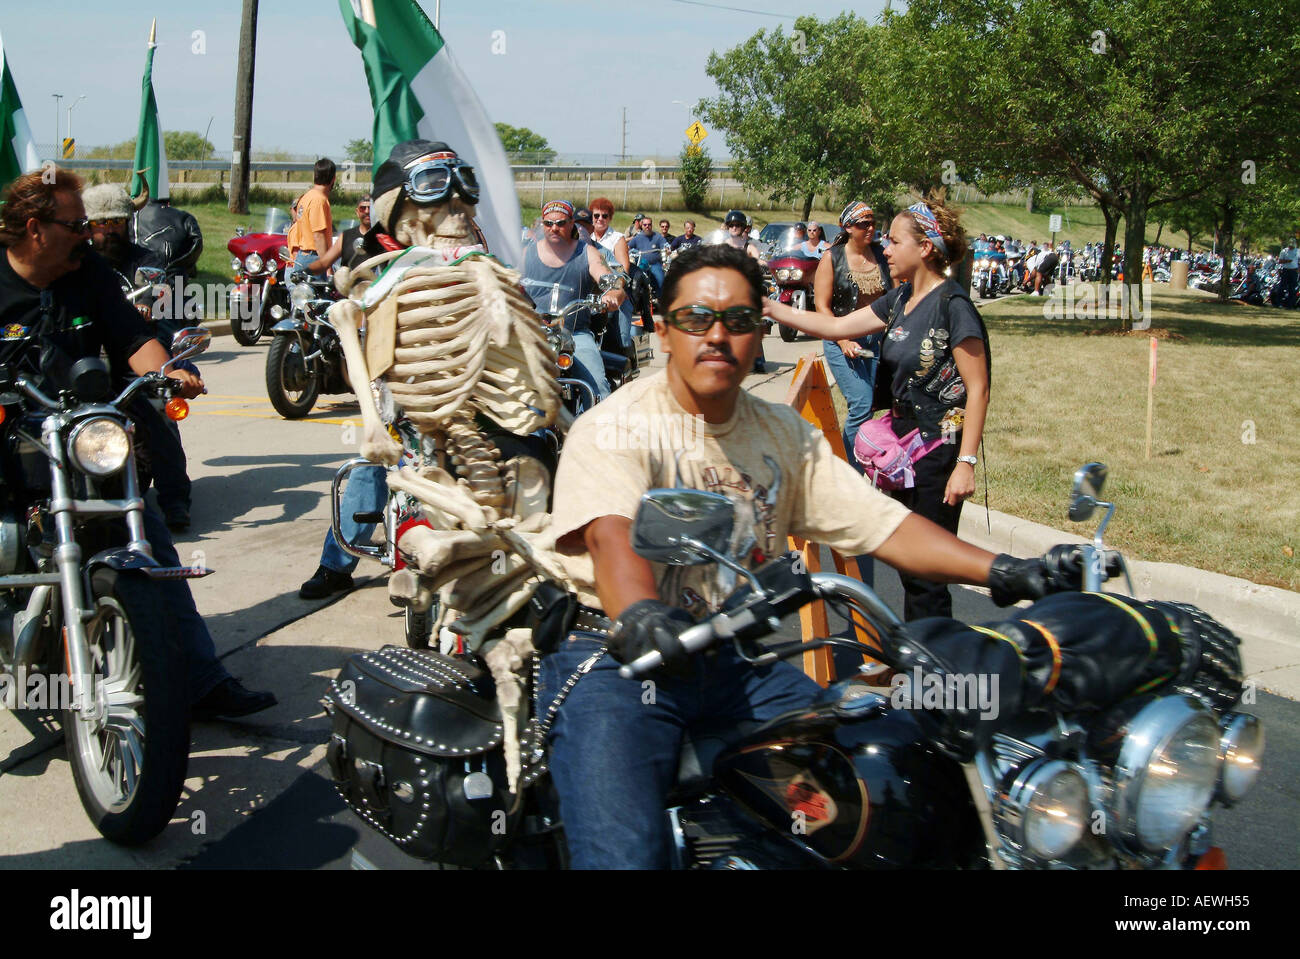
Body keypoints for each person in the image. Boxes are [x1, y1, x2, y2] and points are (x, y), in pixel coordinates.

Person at [543, 242, 1074, 868]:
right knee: (625, 857)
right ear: (661, 330)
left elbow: (883, 525)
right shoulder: (615, 425)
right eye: (696, 319)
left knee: (876, 774)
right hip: (617, 656)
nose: (718, 336)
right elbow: (612, 537)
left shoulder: (780, 432)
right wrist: (641, 614)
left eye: (738, 321)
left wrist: (1007, 571)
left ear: (760, 330)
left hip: (734, 659)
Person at [0, 169, 275, 718]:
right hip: (9, 440)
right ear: (35, 229)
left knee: (146, 537)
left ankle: (198, 678)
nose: (89, 233)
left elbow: (132, 336)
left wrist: (169, 371)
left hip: (76, 432)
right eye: (77, 224)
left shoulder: (88, 273)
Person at [766, 196, 990, 621]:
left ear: (925, 248)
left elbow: (977, 390)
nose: (884, 247)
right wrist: (770, 308)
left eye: (895, 240)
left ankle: (932, 674)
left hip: (940, 449)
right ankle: (919, 661)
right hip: (907, 446)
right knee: (911, 566)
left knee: (928, 572)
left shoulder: (953, 307)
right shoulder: (902, 298)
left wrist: (966, 462)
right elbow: (835, 326)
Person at [83, 182, 195, 532]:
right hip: (91, 351)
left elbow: (153, 286)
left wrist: (145, 304)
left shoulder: (144, 259)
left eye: (117, 221)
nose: (111, 230)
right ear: (89, 226)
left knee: (160, 410)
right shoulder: (78, 264)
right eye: (103, 223)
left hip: (135, 347)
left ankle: (175, 498)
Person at [520, 199, 625, 406]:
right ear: (543, 224)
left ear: (571, 224)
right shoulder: (527, 254)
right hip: (534, 332)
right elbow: (509, 280)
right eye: (549, 223)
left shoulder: (586, 252)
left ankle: (593, 433)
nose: (554, 228)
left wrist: (613, 292)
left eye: (561, 223)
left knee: (597, 387)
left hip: (576, 334)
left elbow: (607, 276)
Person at [706, 210, 767, 373]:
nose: (734, 228)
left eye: (737, 225)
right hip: (725, 289)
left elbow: (757, 258)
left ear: (743, 228)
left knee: (751, 321)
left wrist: (759, 262)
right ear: (727, 227)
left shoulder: (749, 246)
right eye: (731, 225)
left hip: (744, 288)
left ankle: (758, 357)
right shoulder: (722, 245)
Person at [286, 158, 336, 275]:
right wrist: (327, 266)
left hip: (302, 256)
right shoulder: (319, 200)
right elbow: (318, 236)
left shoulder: (306, 197)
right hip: (314, 258)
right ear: (333, 179)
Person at [307, 194, 373, 274]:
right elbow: (324, 262)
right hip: (350, 285)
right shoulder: (346, 236)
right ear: (357, 212)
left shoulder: (384, 236)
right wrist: (306, 271)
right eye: (362, 208)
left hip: (378, 284)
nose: (367, 211)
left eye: (370, 208)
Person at [626, 215, 669, 295]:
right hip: (640, 265)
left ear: (651, 225)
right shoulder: (637, 237)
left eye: (649, 224)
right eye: (645, 225)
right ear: (642, 225)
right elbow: (628, 247)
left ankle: (660, 300)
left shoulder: (658, 236)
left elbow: (665, 245)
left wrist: (667, 249)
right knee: (632, 282)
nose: (647, 226)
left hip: (655, 265)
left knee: (660, 281)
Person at [1277, 238, 1298, 308]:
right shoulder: (1284, 251)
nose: (1291, 246)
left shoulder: (1298, 251)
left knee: (1292, 288)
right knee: (1282, 287)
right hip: (1286, 270)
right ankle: (1278, 303)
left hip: (1294, 271)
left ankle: (1290, 304)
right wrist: (1287, 261)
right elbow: (1280, 261)